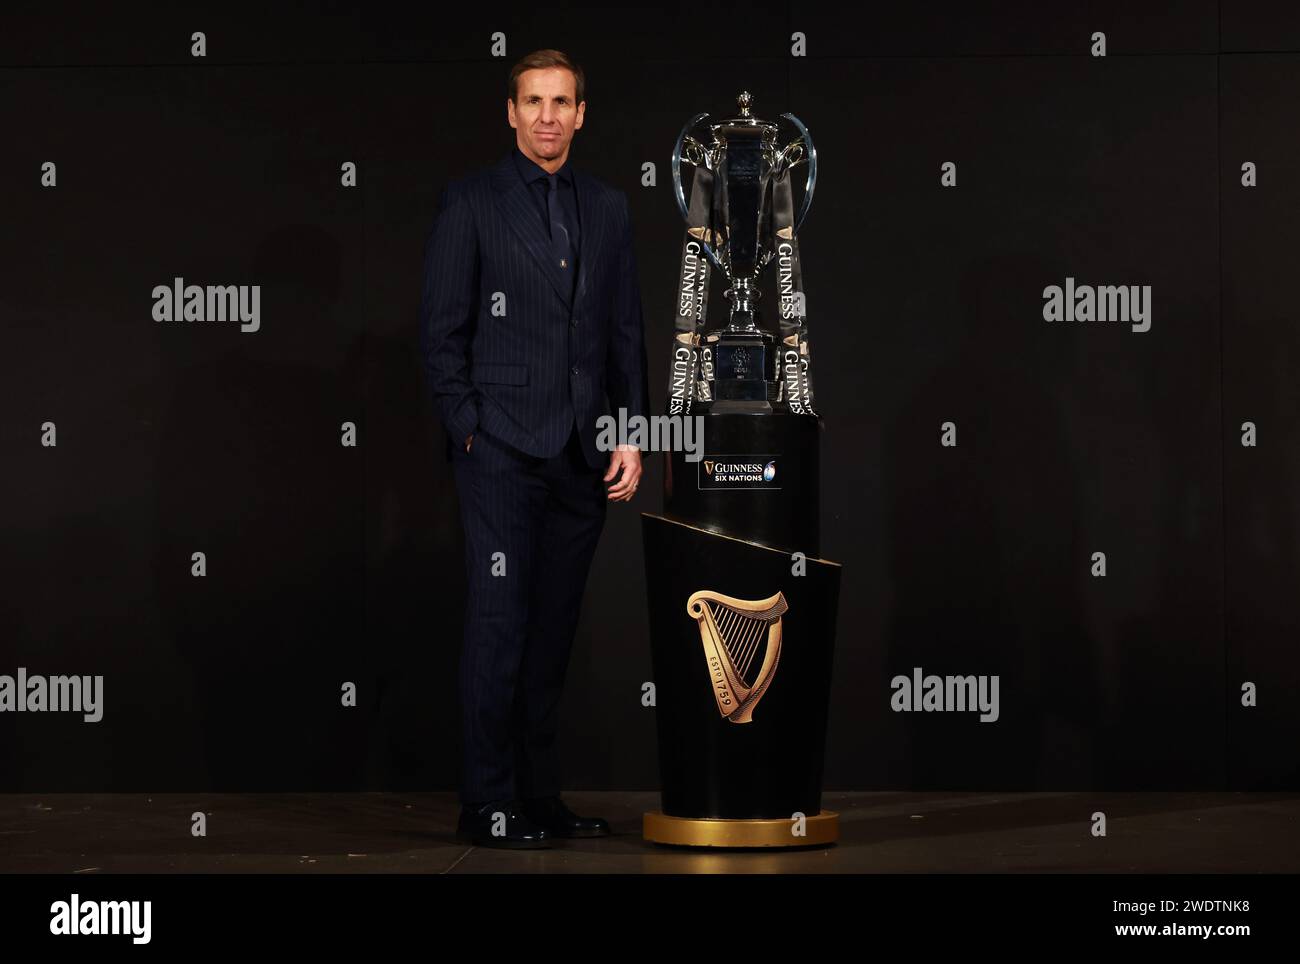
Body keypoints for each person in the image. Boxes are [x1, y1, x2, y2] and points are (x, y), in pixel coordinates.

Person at [419, 48, 649, 848]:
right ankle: (487, 803)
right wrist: (471, 429)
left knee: (552, 633)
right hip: (502, 453)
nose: (547, 115)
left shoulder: (610, 206)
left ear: (581, 113)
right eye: (533, 101)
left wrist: (632, 429)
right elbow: (442, 332)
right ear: (510, 113)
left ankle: (538, 796)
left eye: (562, 102)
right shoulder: (472, 201)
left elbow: (624, 330)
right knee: (499, 626)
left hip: (583, 454)